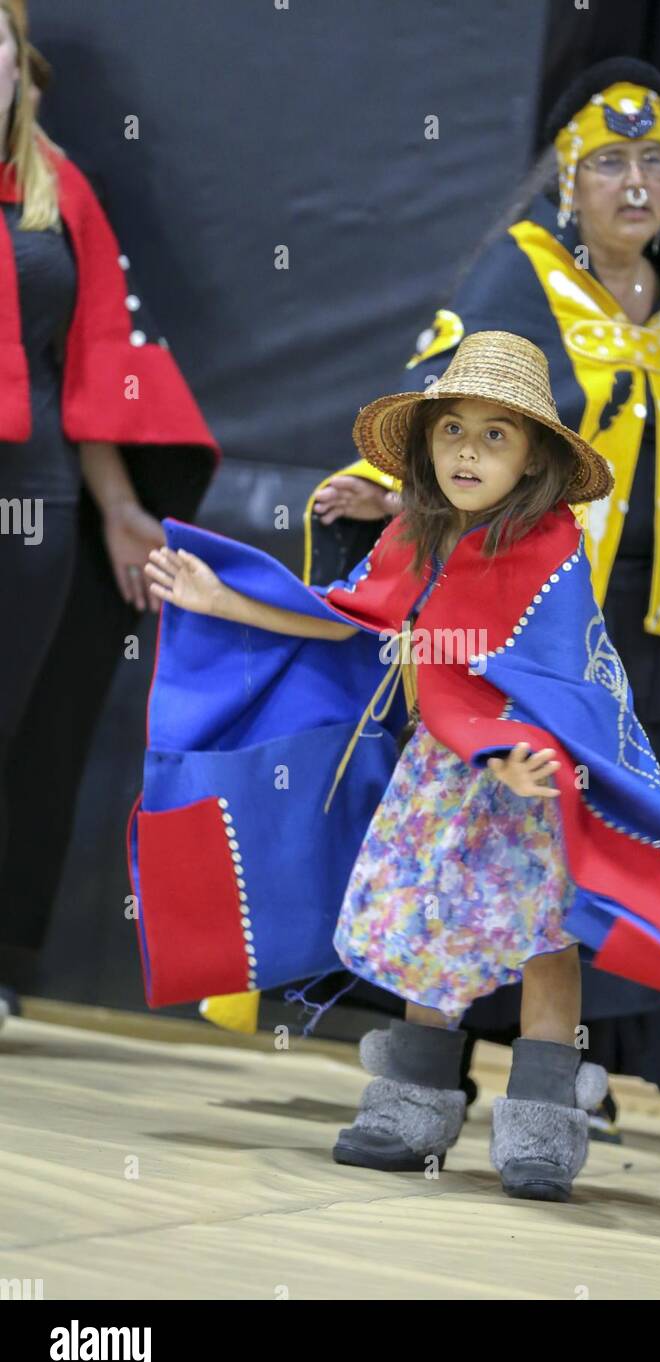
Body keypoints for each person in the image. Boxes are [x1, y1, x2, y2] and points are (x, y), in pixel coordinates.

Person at [139, 331, 660, 1202]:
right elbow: (356, 621)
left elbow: (554, 673)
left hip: (538, 772)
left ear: (533, 457)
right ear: (425, 444)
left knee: (546, 943)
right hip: (448, 775)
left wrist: (517, 753)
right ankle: (413, 1105)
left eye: (496, 435)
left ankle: (541, 1124)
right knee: (430, 927)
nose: (468, 449)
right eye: (452, 429)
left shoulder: (549, 547)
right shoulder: (419, 534)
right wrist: (222, 599)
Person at [300, 57, 660, 1132]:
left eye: (656, 163)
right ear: (566, 182)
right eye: (609, 162)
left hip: (636, 632)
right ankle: (430, 1071)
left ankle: (562, 1073)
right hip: (512, 623)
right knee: (481, 834)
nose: (635, 184)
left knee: (590, 847)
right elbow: (451, 407)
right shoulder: (517, 278)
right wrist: (386, 492)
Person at [0, 0, 218, 1026]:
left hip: (32, 503)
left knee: (9, 727)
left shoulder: (58, 187)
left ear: (20, 65)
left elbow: (92, 362)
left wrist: (124, 508)